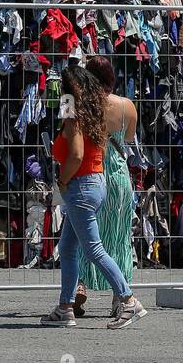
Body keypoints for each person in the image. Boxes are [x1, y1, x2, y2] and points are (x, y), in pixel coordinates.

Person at [40, 65, 147, 330]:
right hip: (95, 181)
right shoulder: (91, 109)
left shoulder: (74, 111)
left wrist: (62, 179)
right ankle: (65, 307)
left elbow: (75, 153)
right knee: (67, 248)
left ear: (69, 89)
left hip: (80, 185)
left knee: (94, 249)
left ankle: (129, 299)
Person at [73, 55, 137, 318]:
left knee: (83, 235)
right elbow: (129, 138)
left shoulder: (81, 106)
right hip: (119, 179)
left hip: (91, 174)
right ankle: (118, 298)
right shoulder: (127, 106)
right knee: (119, 237)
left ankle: (80, 286)